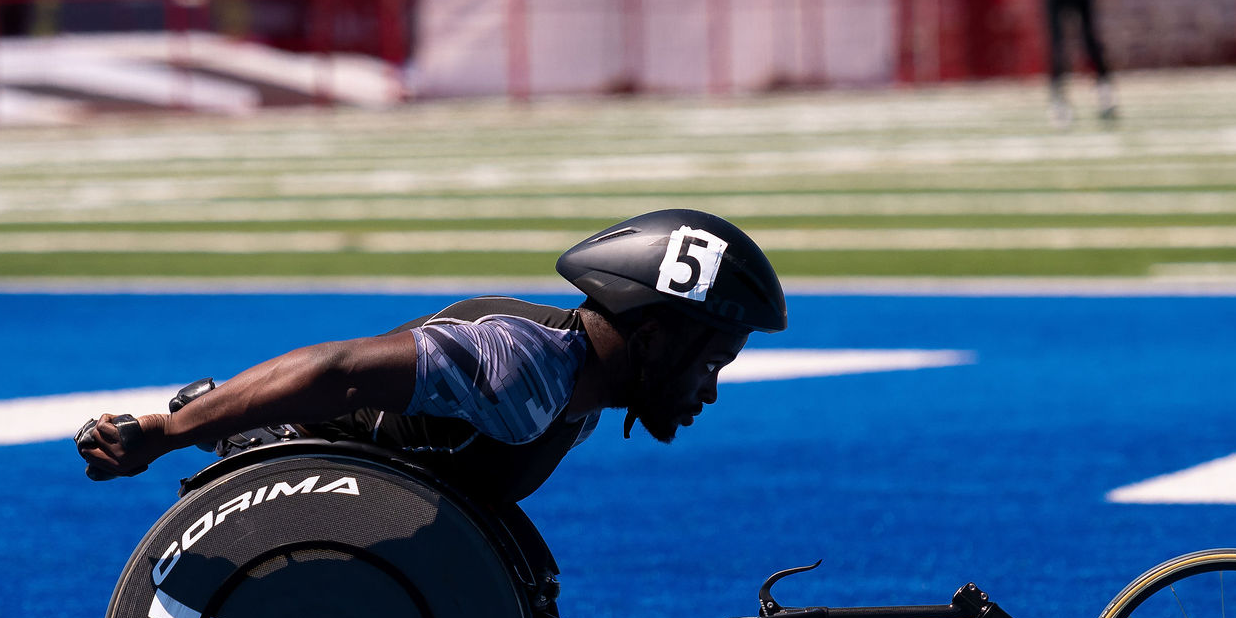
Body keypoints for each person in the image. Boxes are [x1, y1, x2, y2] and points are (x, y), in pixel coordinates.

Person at [74, 209, 786, 505]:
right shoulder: (518, 364)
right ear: (654, 342)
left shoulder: (580, 393)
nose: (711, 391)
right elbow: (340, 371)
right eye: (711, 364)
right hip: (302, 488)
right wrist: (170, 433)